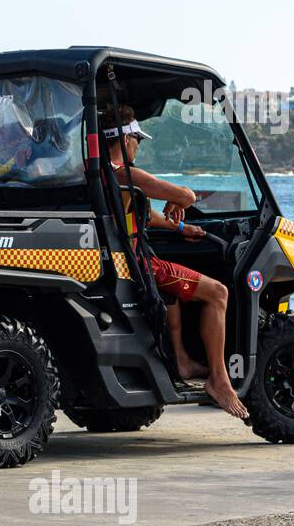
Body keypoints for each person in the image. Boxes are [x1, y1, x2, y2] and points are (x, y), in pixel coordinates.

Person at [103, 107, 248, 419]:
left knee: (173, 293)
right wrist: (179, 201)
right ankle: (219, 380)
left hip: (120, 262)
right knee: (219, 293)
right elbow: (188, 195)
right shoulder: (124, 173)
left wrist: (180, 228)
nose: (138, 147)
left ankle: (181, 360)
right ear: (125, 139)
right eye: (137, 140)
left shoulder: (99, 173)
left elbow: (139, 214)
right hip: (137, 266)